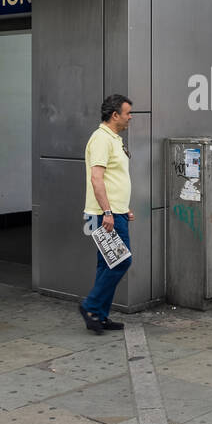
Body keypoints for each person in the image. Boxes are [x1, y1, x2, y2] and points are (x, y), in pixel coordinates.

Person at [79, 94, 134, 333]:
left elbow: (114, 179)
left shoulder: (113, 138)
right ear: (115, 115)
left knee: (107, 265)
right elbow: (96, 178)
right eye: (127, 113)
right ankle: (90, 306)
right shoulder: (101, 139)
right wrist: (109, 212)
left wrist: (122, 207)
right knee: (122, 261)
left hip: (115, 212)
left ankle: (99, 316)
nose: (130, 117)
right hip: (105, 216)